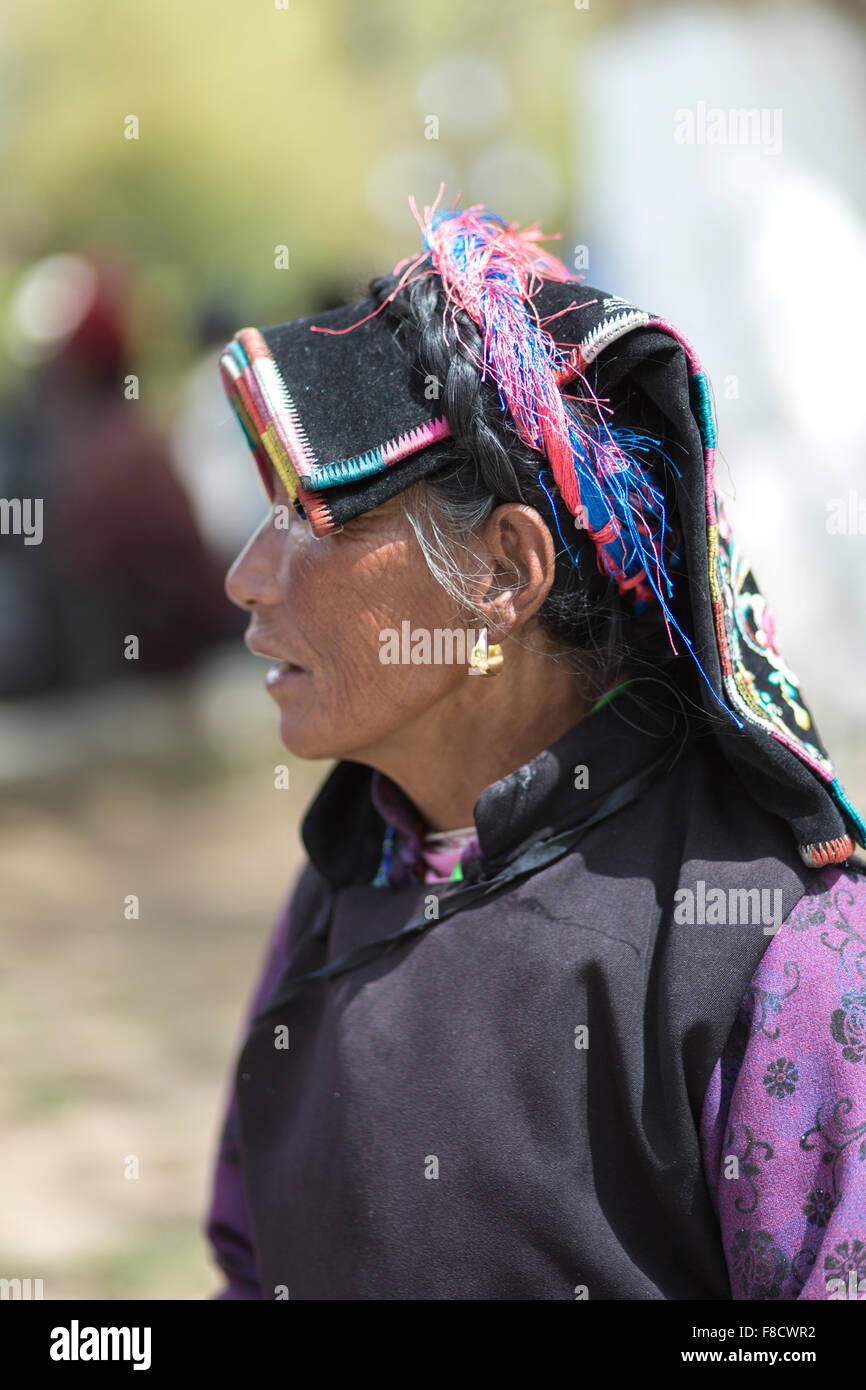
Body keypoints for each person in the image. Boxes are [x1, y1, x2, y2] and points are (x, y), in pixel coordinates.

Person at [203, 191, 866, 1301]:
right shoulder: (343, 883)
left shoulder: (772, 948)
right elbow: (249, 1257)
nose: (246, 577)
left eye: (313, 521)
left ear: (503, 573)